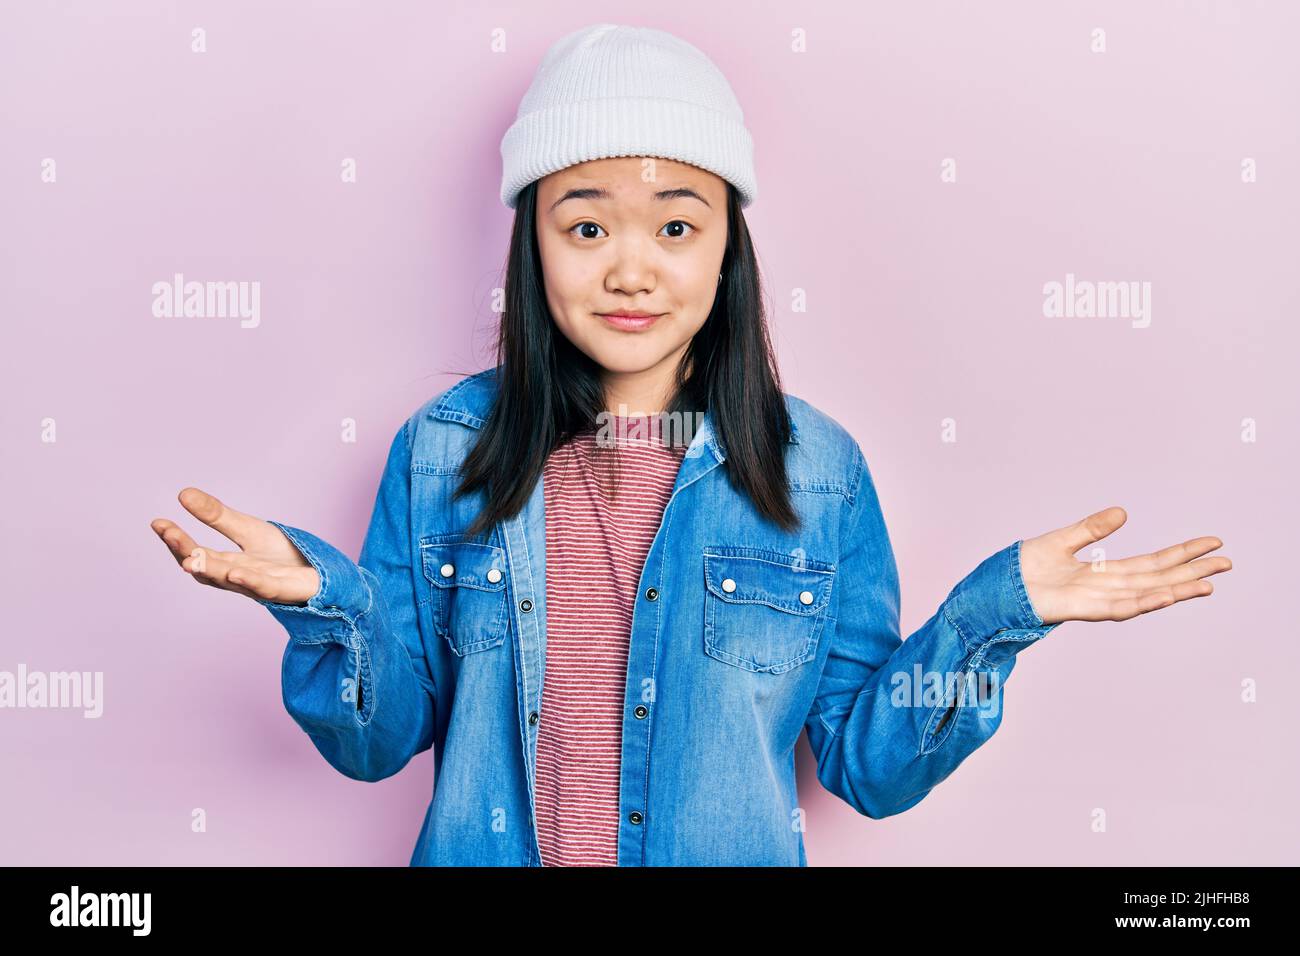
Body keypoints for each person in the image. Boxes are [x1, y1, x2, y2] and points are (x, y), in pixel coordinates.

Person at [149, 23, 1232, 867]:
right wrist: (318, 601)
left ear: (726, 248)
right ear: (532, 241)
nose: (632, 268)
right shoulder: (444, 450)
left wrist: (996, 616)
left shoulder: (817, 470)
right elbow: (378, 742)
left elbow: (868, 769)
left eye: (676, 224)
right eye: (586, 224)